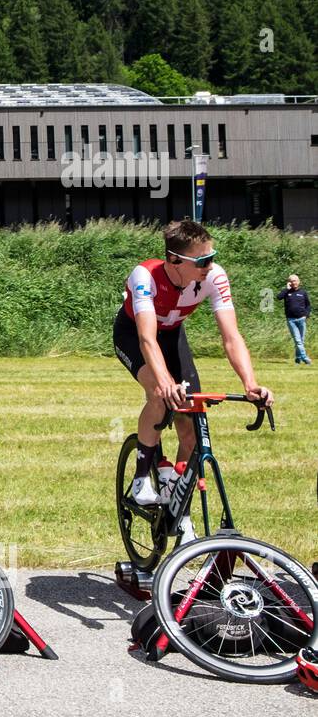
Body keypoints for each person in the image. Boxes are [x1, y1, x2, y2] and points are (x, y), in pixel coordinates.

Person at [114, 219, 272, 534]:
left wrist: (250, 383)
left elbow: (231, 336)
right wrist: (164, 382)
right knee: (160, 396)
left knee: (192, 429)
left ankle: (179, 508)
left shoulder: (214, 277)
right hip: (134, 334)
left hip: (173, 337)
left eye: (211, 258)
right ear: (174, 260)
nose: (209, 266)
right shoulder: (144, 276)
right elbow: (147, 339)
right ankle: (142, 477)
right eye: (202, 261)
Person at [278, 274, 311, 365]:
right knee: (297, 340)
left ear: (298, 281)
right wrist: (287, 289)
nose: (293, 282)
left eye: (295, 280)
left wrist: (306, 315)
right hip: (291, 320)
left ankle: (298, 358)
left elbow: (308, 305)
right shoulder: (287, 292)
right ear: (289, 282)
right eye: (291, 281)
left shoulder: (303, 292)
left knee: (301, 340)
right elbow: (278, 297)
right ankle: (305, 358)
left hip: (301, 319)